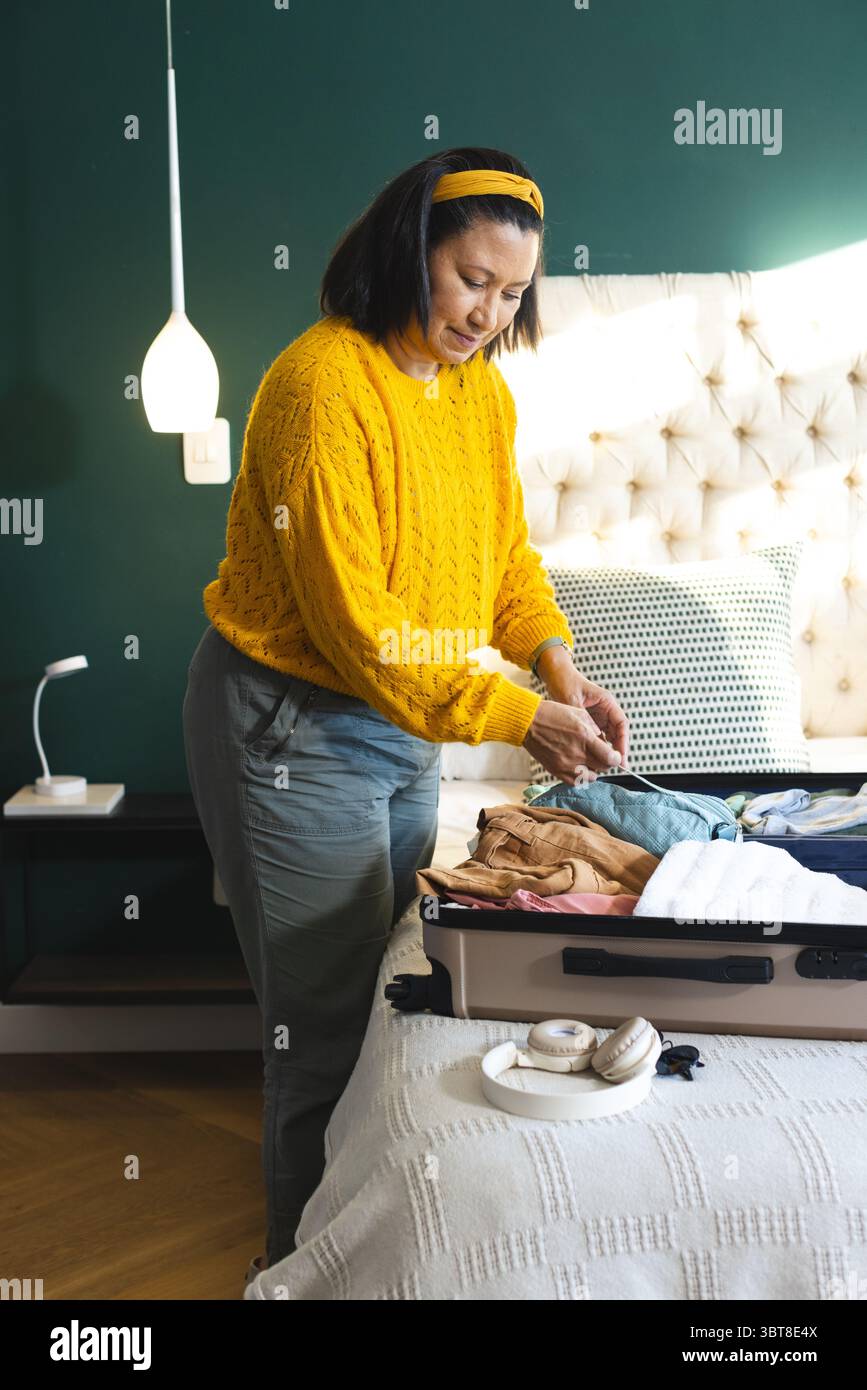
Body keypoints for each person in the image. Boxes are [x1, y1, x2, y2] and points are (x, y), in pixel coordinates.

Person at [181, 146, 629, 1279]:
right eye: (472, 278)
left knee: (395, 1008)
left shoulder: (477, 391)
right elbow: (361, 631)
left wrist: (556, 666)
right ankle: (296, 1272)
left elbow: (505, 562)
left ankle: (367, 1262)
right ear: (410, 249)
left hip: (400, 729)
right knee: (324, 1038)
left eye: (514, 291)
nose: (490, 312)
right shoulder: (320, 387)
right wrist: (516, 716)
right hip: (292, 727)